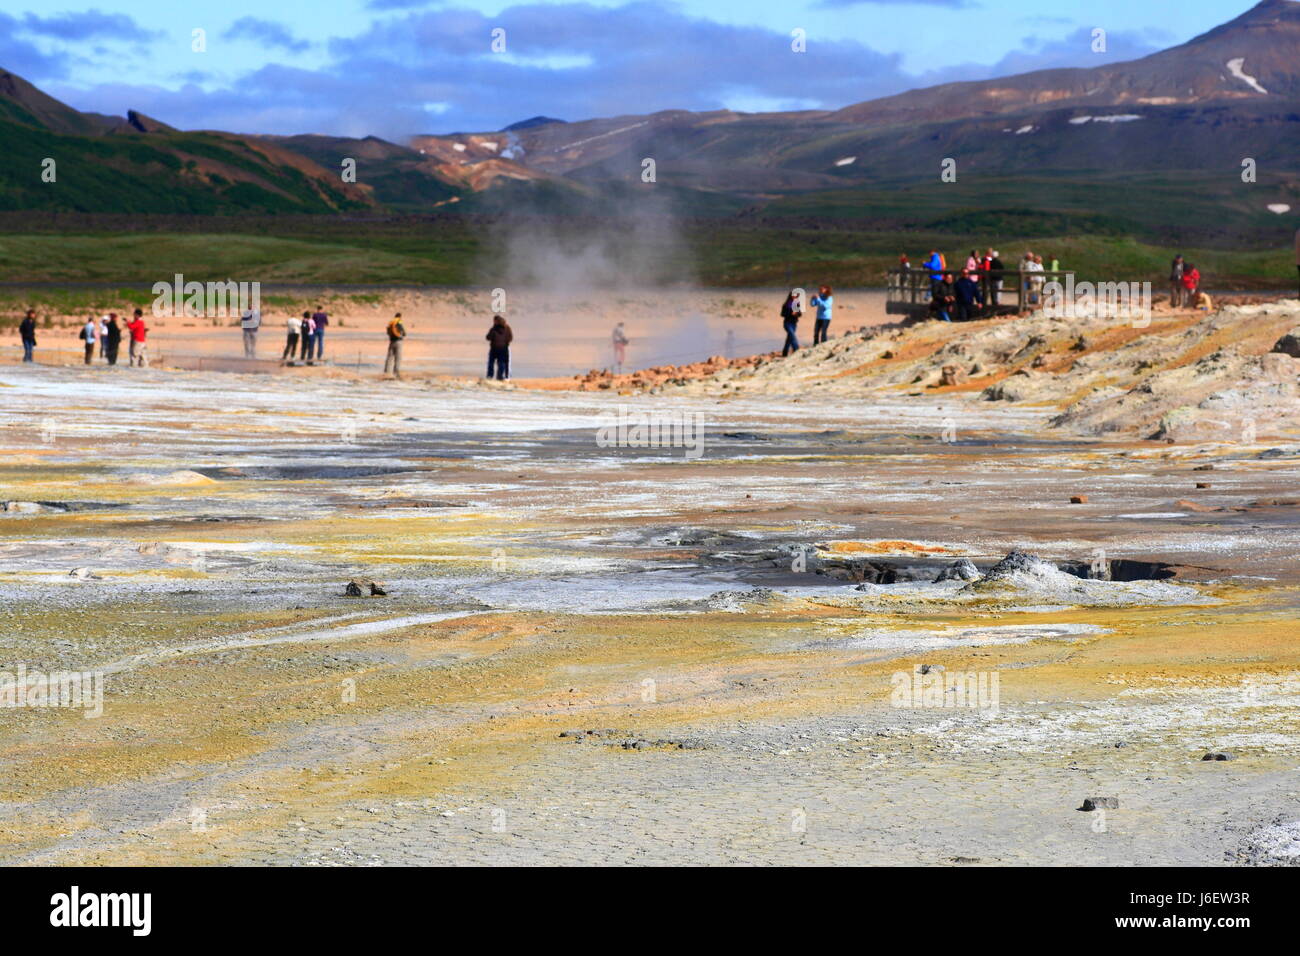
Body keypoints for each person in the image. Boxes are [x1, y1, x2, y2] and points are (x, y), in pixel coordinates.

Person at [485, 314, 512, 381]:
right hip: (503, 348)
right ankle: (500, 377)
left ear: (496, 321)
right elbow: (510, 337)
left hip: (494, 348)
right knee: (501, 363)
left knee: (491, 363)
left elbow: (488, 337)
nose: (493, 322)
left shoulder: (494, 328)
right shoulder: (507, 328)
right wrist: (506, 343)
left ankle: (490, 377)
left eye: (494, 320)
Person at [780, 289, 802, 357]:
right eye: (793, 295)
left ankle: (784, 353)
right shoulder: (786, 304)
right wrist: (790, 313)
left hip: (794, 323)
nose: (795, 297)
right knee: (792, 336)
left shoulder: (797, 304)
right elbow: (782, 314)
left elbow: (800, 315)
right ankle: (797, 350)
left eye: (796, 296)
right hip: (787, 323)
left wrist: (796, 314)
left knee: (789, 339)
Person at [384, 312, 406, 379]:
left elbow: (388, 331)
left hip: (391, 341)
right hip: (398, 341)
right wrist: (403, 334)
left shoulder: (391, 322)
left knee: (389, 357)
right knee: (398, 357)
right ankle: (396, 373)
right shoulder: (399, 321)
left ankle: (386, 372)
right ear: (400, 316)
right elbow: (402, 330)